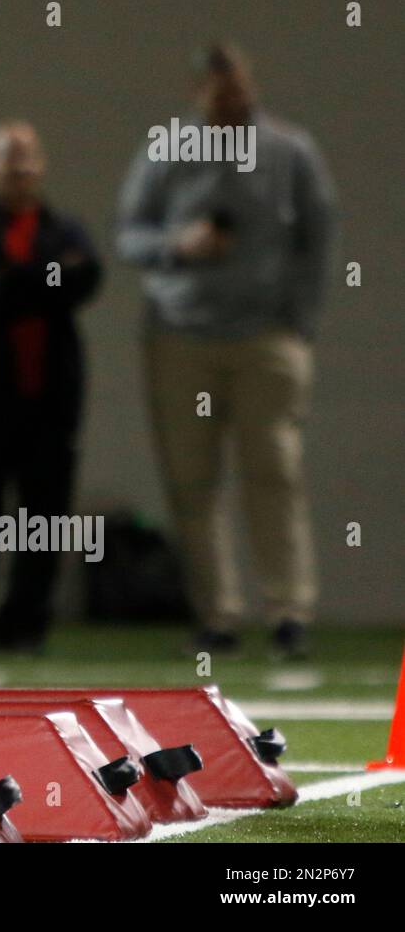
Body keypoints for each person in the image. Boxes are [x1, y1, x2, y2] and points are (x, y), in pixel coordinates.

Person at [116, 44, 337, 660]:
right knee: (192, 481)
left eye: (238, 85)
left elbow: (320, 235)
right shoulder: (167, 149)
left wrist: (300, 323)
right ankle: (218, 615)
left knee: (275, 471)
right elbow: (128, 234)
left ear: (251, 83)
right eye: (217, 89)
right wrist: (177, 246)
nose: (231, 97)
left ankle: (289, 611)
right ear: (198, 93)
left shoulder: (290, 151)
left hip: (266, 337)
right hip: (181, 336)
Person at [0, 123, 102, 652]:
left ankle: (26, 625)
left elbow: (86, 278)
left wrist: (16, 278)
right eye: (10, 160)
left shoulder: (64, 228)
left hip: (51, 400)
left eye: (28, 160)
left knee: (45, 518)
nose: (20, 171)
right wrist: (44, 279)